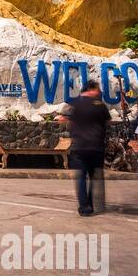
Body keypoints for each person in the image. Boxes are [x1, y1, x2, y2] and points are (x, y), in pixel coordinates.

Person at [56, 80, 110, 217]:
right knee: (94, 177)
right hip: (96, 146)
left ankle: (84, 207)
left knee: (80, 177)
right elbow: (108, 122)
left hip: (79, 146)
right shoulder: (100, 105)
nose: (99, 92)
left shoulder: (74, 103)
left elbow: (62, 118)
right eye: (97, 89)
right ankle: (91, 204)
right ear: (91, 89)